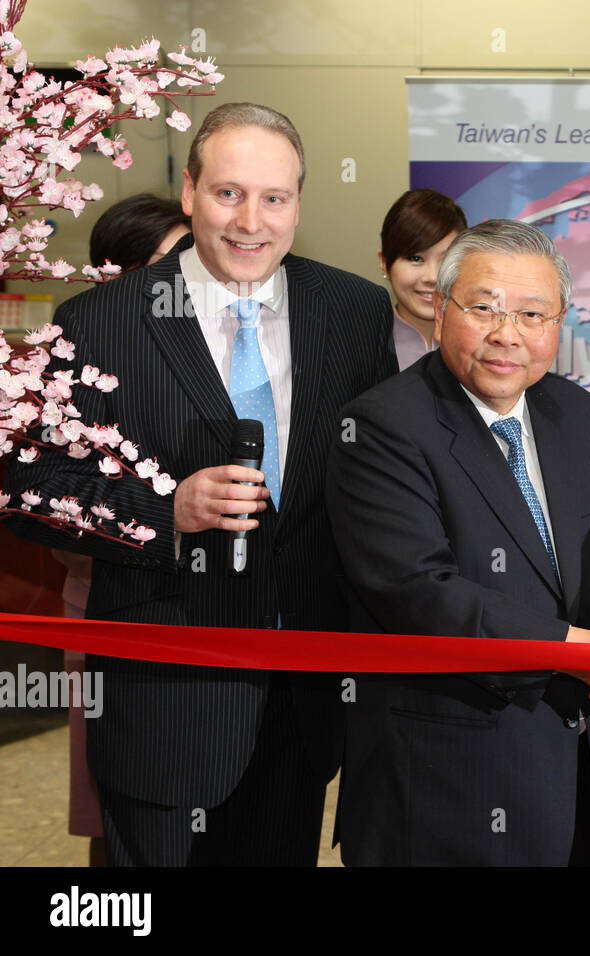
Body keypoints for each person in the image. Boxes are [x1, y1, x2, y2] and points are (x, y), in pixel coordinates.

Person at [3, 102, 398, 866]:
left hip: (302, 700)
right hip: (162, 702)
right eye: (228, 193)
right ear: (189, 191)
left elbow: (372, 481)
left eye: (274, 198)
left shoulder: (350, 311)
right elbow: (29, 487)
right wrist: (165, 512)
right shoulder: (97, 324)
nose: (251, 221)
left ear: (298, 204)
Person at [326, 218, 590, 866]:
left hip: (575, 772)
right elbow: (420, 592)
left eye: (533, 313)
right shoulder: (380, 425)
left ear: (561, 321)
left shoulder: (576, 411)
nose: (507, 333)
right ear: (443, 306)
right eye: (484, 309)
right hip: (444, 786)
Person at [62, 193, 192, 866]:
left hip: (206, 609)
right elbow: (53, 493)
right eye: (171, 262)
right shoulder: (87, 357)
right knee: (119, 803)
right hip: (110, 599)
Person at [378, 188, 467, 369]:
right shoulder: (360, 348)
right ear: (384, 263)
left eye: (447, 259)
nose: (433, 277)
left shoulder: (485, 346)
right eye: (416, 258)